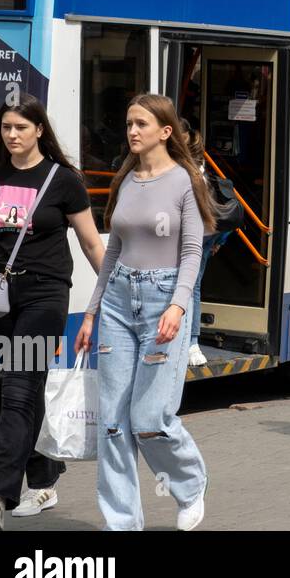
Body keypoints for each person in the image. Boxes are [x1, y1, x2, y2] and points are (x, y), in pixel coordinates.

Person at [75, 93, 214, 530]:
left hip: (162, 301)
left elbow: (192, 250)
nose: (132, 131)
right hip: (117, 301)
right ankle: (122, 524)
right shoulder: (126, 180)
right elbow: (113, 248)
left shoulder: (186, 182)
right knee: (113, 425)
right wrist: (92, 312)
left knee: (150, 418)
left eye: (141, 124)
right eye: (129, 123)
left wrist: (177, 305)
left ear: (165, 132)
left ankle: (190, 486)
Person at [0, 96, 105, 531]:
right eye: (6, 127)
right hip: (1, 296)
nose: (12, 135)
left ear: (39, 130)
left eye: (21, 128)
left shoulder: (63, 180)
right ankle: (44, 479)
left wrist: (115, 297)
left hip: (45, 295)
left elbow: (90, 243)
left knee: (18, 388)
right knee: (30, 388)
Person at [180, 120, 218, 368]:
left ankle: (192, 341)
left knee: (191, 287)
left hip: (197, 238)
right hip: (189, 236)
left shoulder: (193, 168)